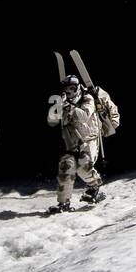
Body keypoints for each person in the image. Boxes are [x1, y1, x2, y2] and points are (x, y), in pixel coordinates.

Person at [47, 74, 105, 212]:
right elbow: (52, 122)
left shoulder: (87, 98)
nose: (70, 92)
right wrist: (56, 108)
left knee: (83, 164)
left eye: (73, 88)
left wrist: (69, 106)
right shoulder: (63, 102)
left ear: (78, 87)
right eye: (67, 89)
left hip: (88, 140)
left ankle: (94, 185)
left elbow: (84, 116)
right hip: (71, 142)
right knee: (66, 167)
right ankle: (63, 203)